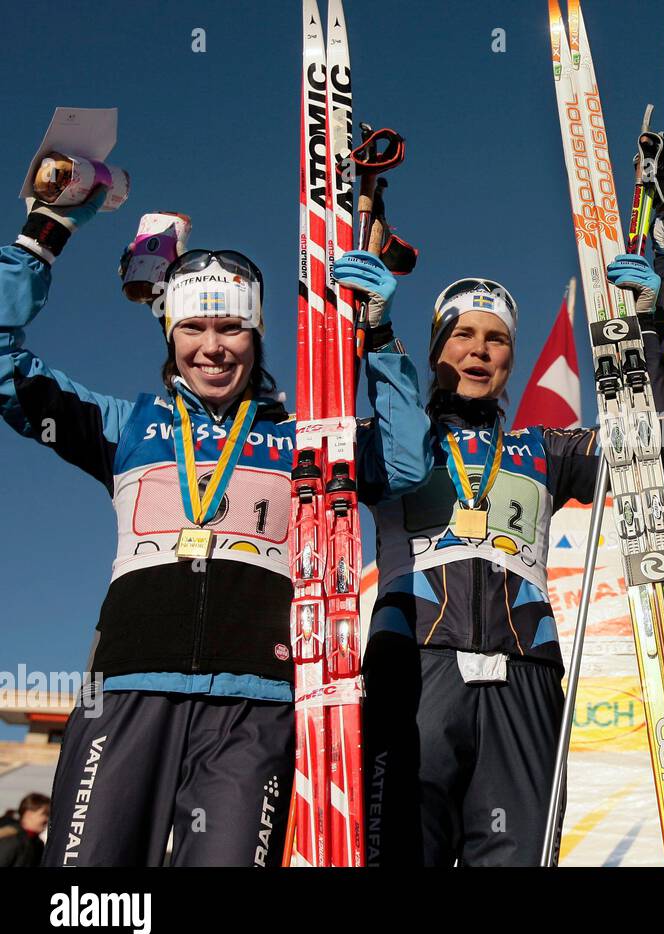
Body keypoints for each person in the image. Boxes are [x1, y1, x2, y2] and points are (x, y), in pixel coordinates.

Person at [0, 187, 429, 866]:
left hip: (252, 707)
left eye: (232, 328)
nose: (213, 347)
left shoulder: (304, 444)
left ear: (256, 335)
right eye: (194, 328)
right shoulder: (126, 427)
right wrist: (41, 236)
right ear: (169, 331)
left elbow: (404, 464)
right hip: (124, 694)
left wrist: (379, 338)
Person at [362, 256, 661, 866]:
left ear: (511, 359)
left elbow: (638, 447)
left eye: (495, 339)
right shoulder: (393, 438)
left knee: (519, 852)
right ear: (437, 350)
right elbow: (377, 455)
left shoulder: (543, 448)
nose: (479, 351)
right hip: (419, 668)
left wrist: (645, 333)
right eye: (462, 336)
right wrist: (376, 334)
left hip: (524, 672)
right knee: (400, 848)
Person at [0, 793, 50, 866]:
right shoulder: (11, 840)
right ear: (28, 814)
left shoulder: (37, 844)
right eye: (44, 814)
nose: (47, 819)